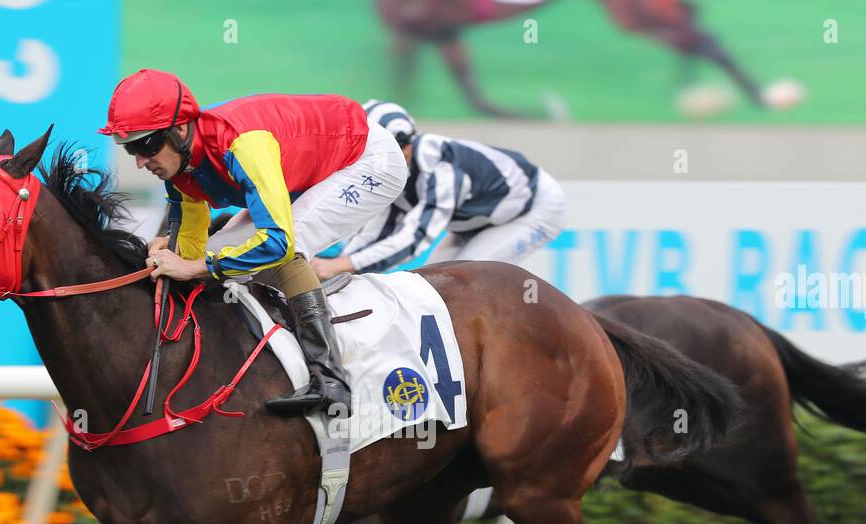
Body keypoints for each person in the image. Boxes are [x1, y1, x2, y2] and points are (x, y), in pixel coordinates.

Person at [99, 70, 408, 416]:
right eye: (131, 149)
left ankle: (331, 381)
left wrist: (195, 266)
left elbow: (276, 244)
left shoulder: (243, 145)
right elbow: (188, 251)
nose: (140, 161)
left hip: (367, 158)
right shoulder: (178, 168)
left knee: (288, 249)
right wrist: (170, 255)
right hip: (311, 166)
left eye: (146, 145)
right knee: (218, 255)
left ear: (181, 130)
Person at [312, 99, 565, 279]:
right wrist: (338, 267)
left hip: (534, 211)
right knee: (429, 287)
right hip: (477, 215)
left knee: (466, 281)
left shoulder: (441, 170)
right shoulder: (399, 164)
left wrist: (341, 264)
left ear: (406, 147)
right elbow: (377, 229)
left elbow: (415, 238)